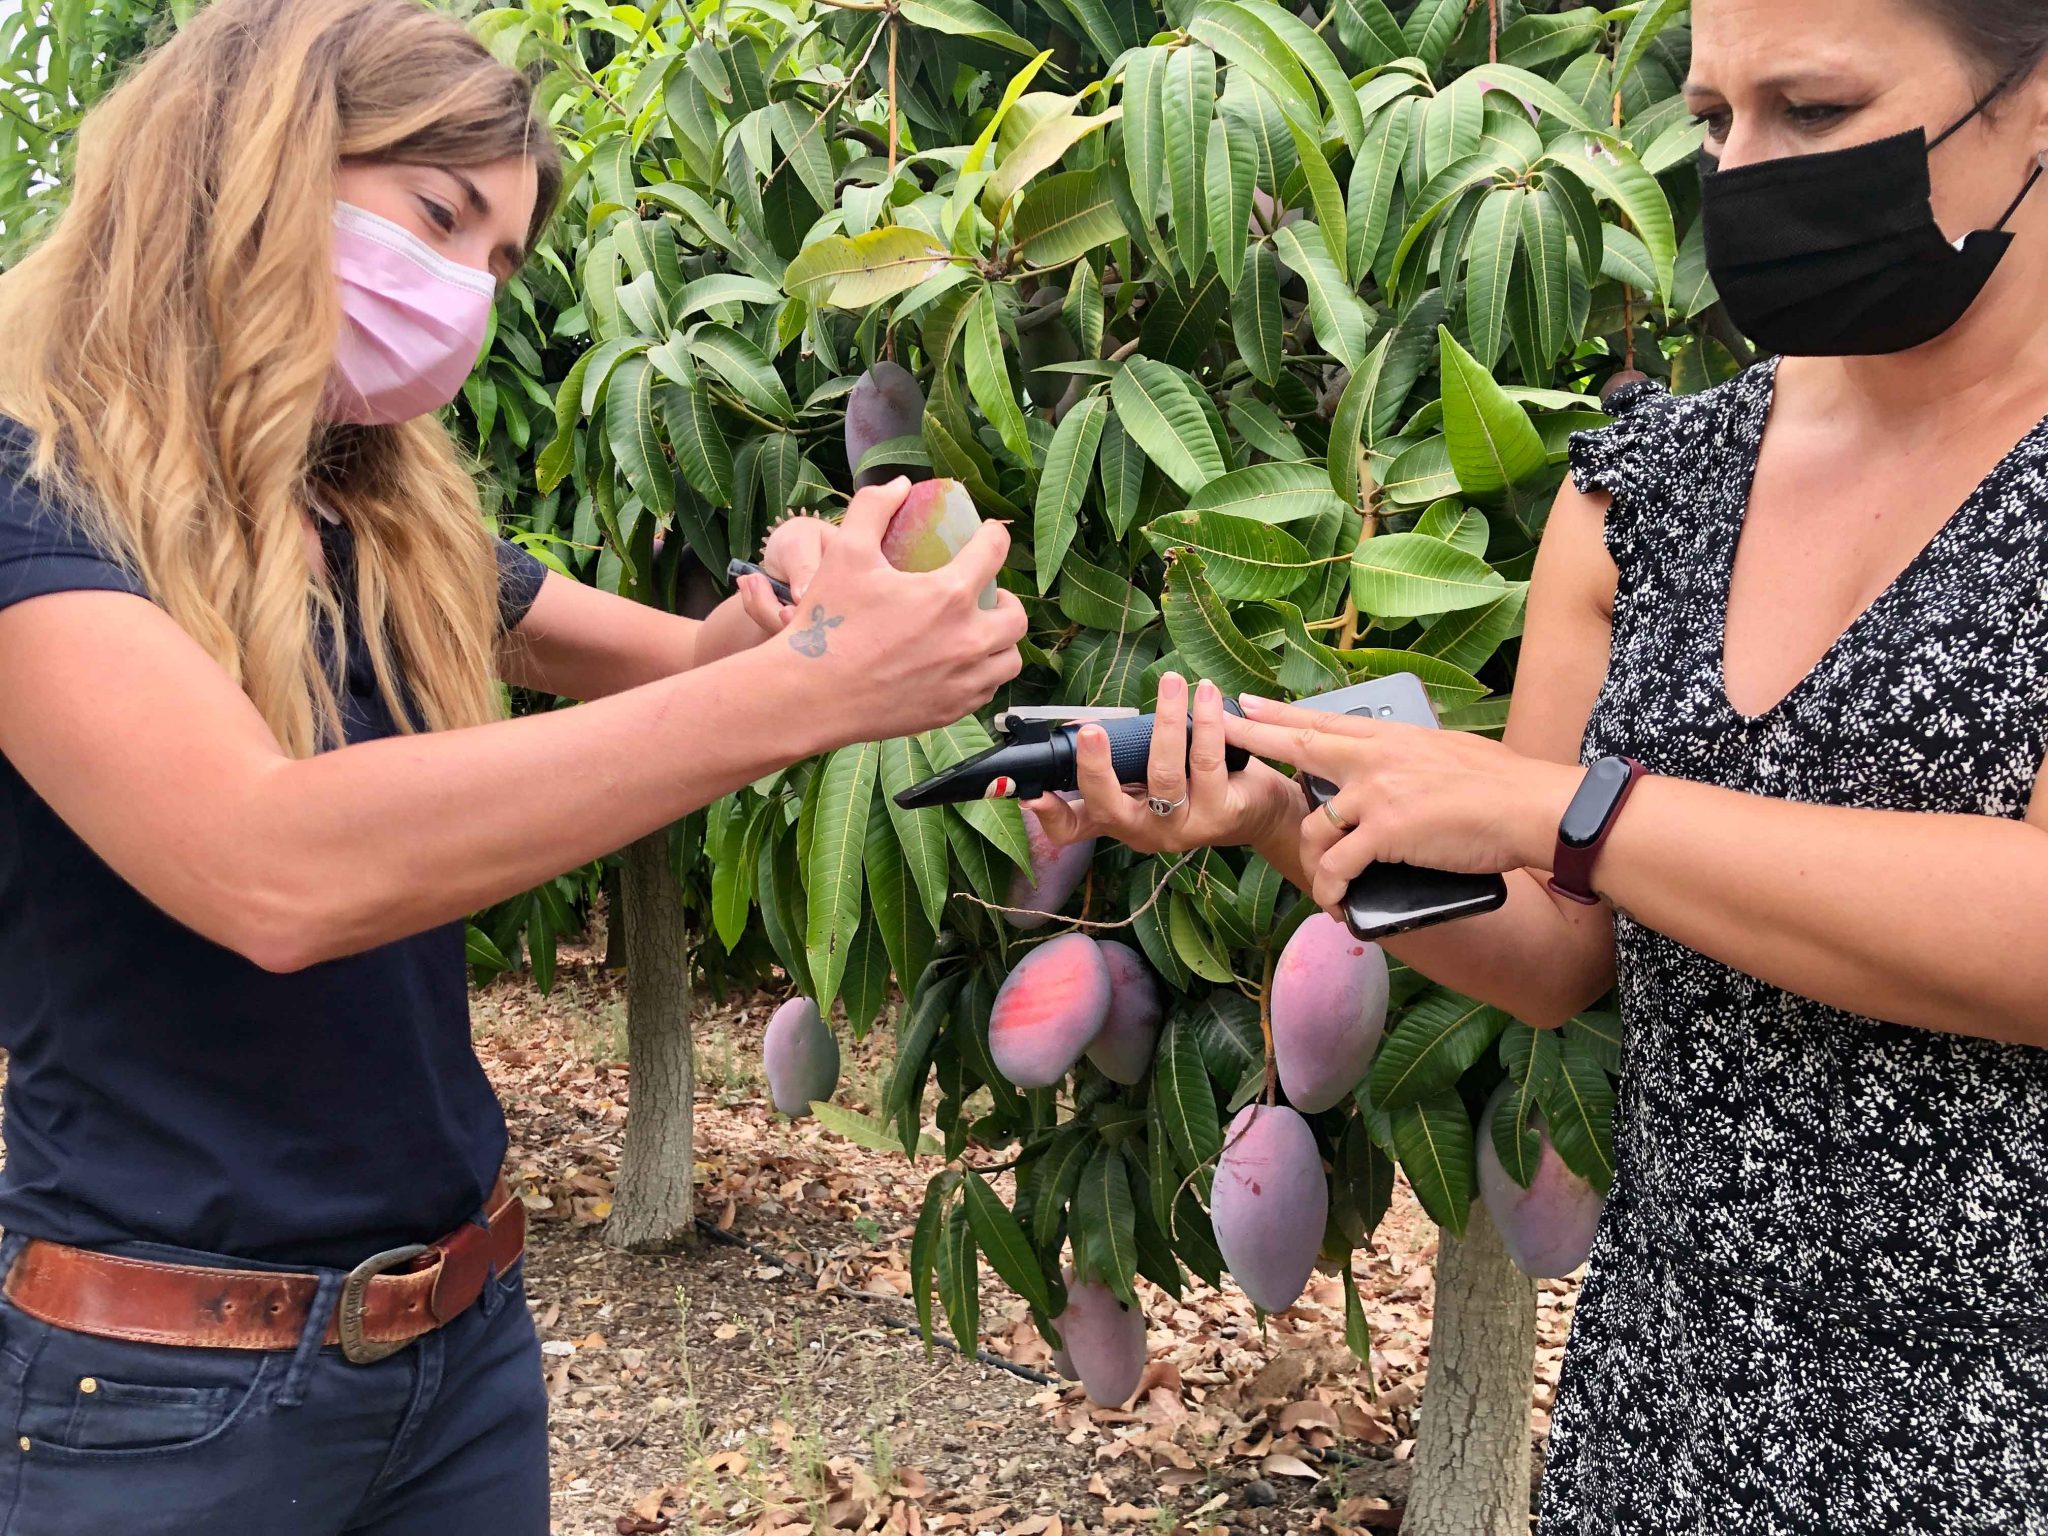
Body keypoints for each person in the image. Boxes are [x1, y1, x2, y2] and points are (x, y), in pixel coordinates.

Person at [0, 0, 1025, 1529]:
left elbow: (684, 672)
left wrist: (811, 604)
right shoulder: (39, 502)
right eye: (437, 217)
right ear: (250, 163)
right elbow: (270, 863)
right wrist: (813, 690)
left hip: (460, 1346)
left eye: (496, 261)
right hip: (163, 1394)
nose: (464, 297)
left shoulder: (377, 513)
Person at [1034, 1, 2048, 1529]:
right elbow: (1564, 948)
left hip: (1995, 1420)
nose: (1745, 170)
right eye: (1714, 121)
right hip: (1677, 1394)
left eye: (1816, 111)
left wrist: (1579, 813)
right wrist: (1305, 830)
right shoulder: (1647, 493)